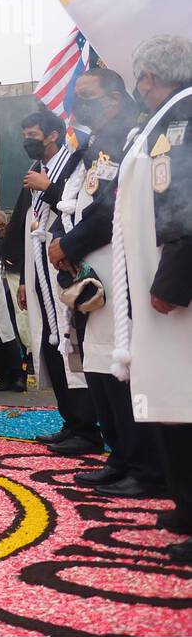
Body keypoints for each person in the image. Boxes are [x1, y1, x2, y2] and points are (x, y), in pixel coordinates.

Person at [49, 66, 163, 498]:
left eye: (87, 94)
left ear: (115, 99)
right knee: (99, 365)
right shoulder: (97, 142)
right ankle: (121, 456)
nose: (79, 104)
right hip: (95, 271)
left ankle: (145, 465)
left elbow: (109, 208)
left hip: (119, 267)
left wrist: (69, 244)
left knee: (120, 367)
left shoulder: (126, 137)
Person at [113, 35, 192, 560]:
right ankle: (186, 503)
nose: (138, 88)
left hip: (174, 291)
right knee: (170, 399)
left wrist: (173, 280)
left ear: (150, 77)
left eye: (140, 78)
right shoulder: (163, 119)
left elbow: (186, 202)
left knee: (186, 399)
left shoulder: (183, 118)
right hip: (155, 289)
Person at [7, 110, 102, 455]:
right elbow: (27, 224)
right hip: (39, 269)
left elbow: (81, 205)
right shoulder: (36, 170)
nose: (27, 140)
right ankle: (71, 421)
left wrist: (49, 189)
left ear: (51, 135)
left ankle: (87, 427)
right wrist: (22, 279)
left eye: (32, 133)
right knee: (50, 346)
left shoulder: (74, 162)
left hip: (63, 264)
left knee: (70, 343)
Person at [0, 208, 28, 392]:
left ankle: (19, 375)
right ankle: (3, 376)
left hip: (9, 291)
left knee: (14, 333)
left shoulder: (12, 241)